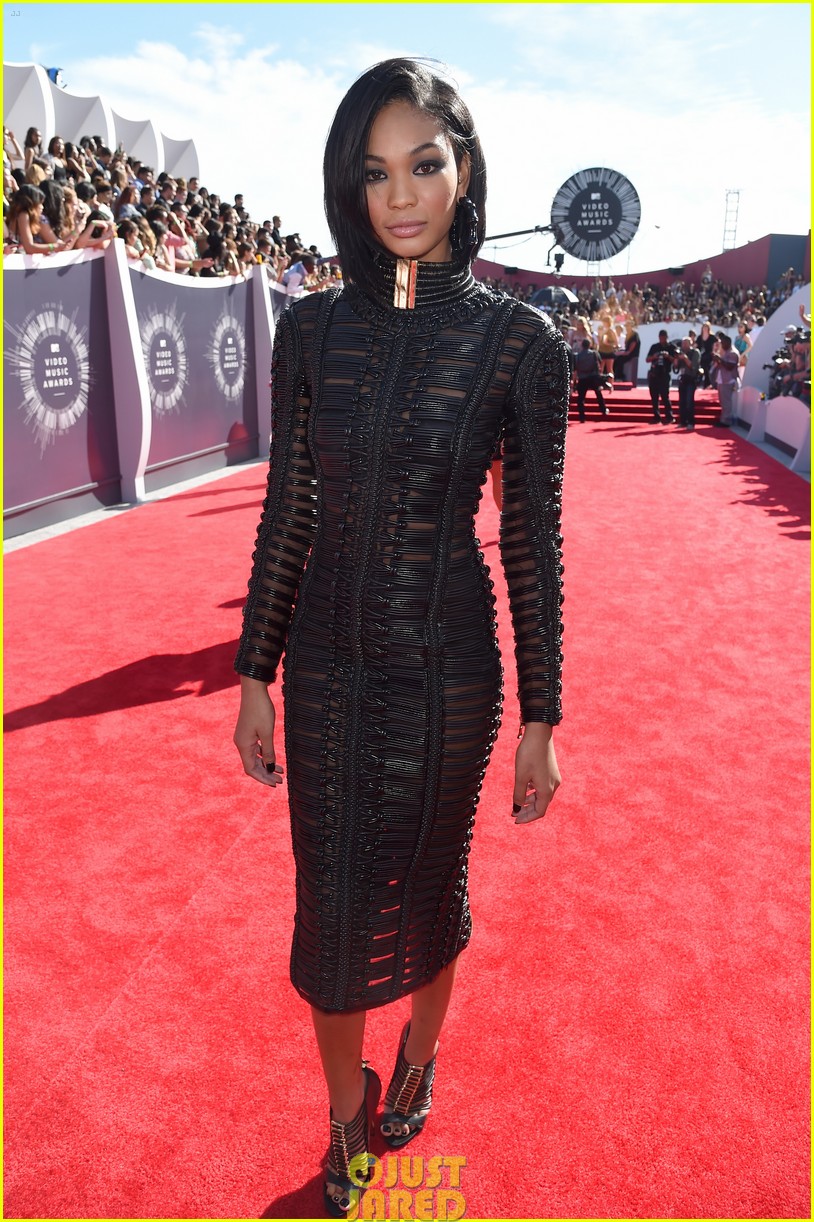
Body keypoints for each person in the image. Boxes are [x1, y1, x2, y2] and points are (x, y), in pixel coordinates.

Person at [232, 57, 569, 1219]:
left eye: (424, 163)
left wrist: (542, 714)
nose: (401, 195)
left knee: (426, 897)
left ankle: (420, 1053)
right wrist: (253, 674)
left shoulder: (522, 343)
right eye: (373, 173)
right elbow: (291, 508)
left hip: (448, 674)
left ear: (464, 169)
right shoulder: (310, 331)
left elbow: (531, 538)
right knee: (330, 914)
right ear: (349, 187)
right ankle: (342, 1116)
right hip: (324, 664)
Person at [573, 337, 609, 421]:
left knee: (581, 398)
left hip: (582, 378)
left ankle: (582, 416)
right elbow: (600, 364)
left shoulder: (577, 356)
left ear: (582, 346)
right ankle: (603, 410)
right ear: (590, 345)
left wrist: (575, 382)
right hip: (593, 377)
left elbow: (575, 370)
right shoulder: (594, 354)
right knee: (598, 394)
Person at [645, 329, 676, 423]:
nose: (662, 339)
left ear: (667, 337)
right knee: (654, 396)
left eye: (663, 338)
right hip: (654, 373)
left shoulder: (672, 347)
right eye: (660, 338)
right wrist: (654, 356)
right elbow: (647, 359)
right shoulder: (655, 347)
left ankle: (669, 416)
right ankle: (656, 416)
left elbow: (676, 361)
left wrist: (668, 356)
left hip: (665, 374)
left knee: (665, 396)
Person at [711, 333, 739, 427]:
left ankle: (726, 421)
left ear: (728, 343)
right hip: (722, 379)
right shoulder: (725, 351)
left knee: (726, 401)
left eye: (723, 343)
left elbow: (730, 367)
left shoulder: (733, 353)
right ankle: (723, 419)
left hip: (728, 380)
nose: (722, 345)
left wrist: (720, 359)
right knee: (723, 401)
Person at [673, 336, 701, 429]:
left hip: (691, 379)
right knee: (682, 402)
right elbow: (676, 368)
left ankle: (691, 422)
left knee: (689, 401)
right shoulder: (681, 353)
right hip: (683, 379)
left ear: (690, 344)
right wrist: (676, 359)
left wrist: (685, 358)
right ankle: (683, 421)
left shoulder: (695, 352)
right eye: (683, 344)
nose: (684, 346)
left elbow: (693, 366)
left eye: (686, 344)